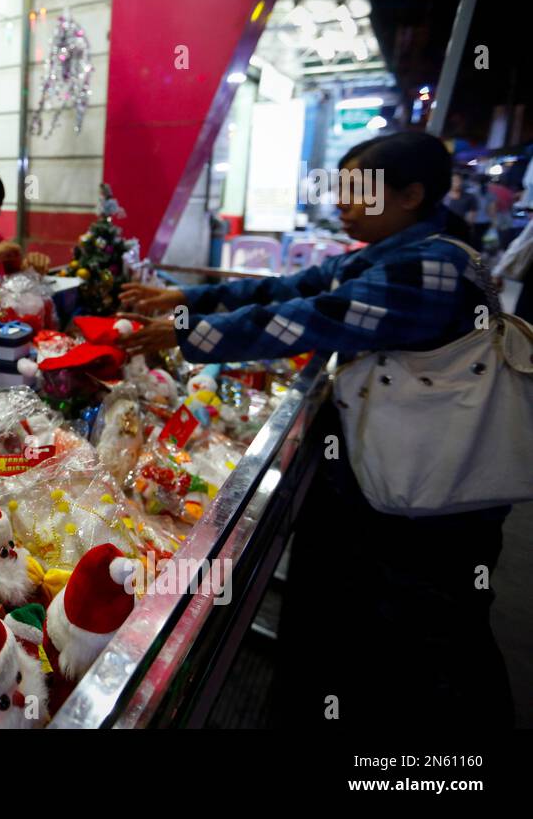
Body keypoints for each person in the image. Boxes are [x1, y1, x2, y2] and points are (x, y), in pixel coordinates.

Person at [117, 131, 514, 728]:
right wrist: (186, 299)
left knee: (432, 645)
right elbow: (288, 286)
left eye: (359, 192)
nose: (344, 205)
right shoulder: (389, 253)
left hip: (430, 507)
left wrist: (189, 333)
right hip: (397, 480)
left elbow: (309, 317)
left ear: (411, 194)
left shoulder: (430, 267)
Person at [441, 172, 481, 245]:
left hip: (462, 232)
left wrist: (467, 228)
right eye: (454, 181)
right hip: (444, 232)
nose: (457, 183)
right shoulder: (442, 198)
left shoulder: (469, 197)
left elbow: (471, 215)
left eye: (459, 181)